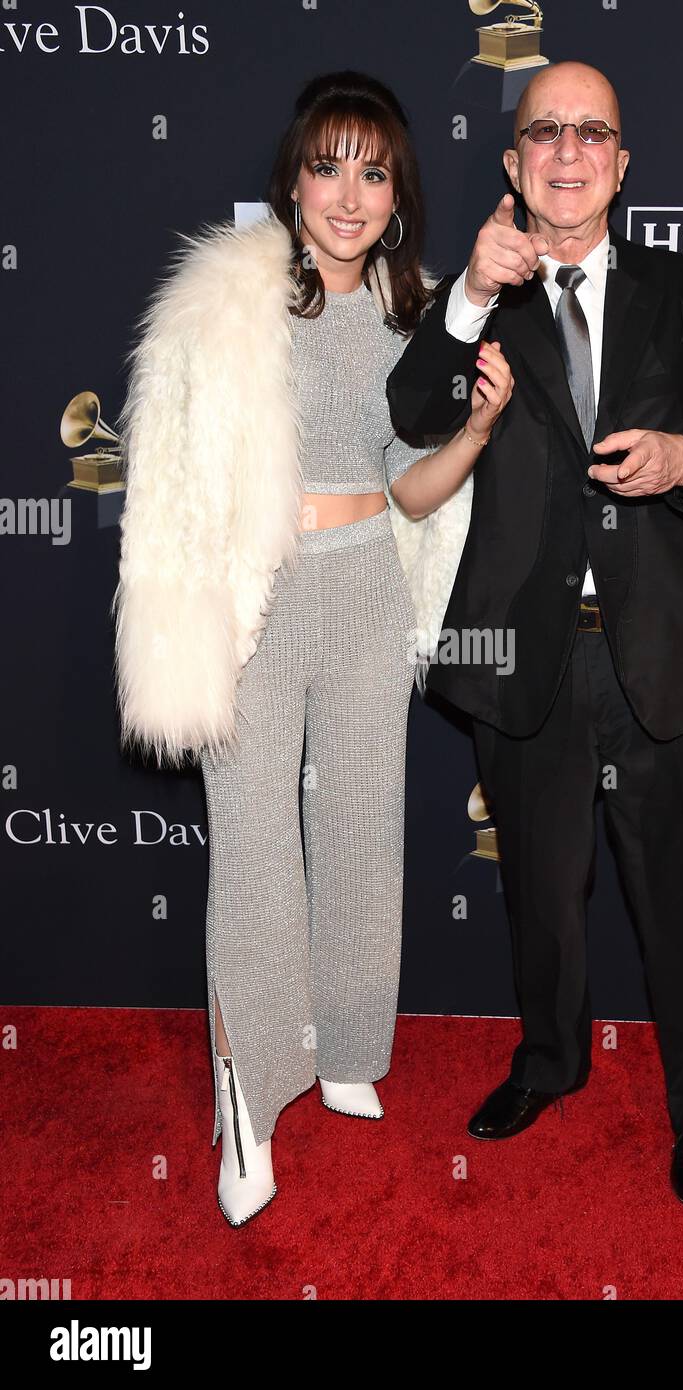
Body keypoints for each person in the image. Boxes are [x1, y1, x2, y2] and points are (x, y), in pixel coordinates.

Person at [111, 70, 513, 1227]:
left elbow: (408, 485)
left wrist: (476, 428)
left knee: (356, 832)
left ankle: (342, 1043)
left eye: (373, 171)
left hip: (365, 598)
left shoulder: (411, 316)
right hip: (258, 601)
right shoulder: (225, 303)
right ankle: (245, 1095)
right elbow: (174, 481)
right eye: (328, 165)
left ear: (397, 195)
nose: (348, 193)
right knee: (248, 855)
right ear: (291, 180)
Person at [387, 61, 683, 1206]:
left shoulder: (681, 289)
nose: (565, 149)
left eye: (588, 132)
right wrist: (460, 299)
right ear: (511, 164)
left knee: (682, 905)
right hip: (518, 652)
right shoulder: (474, 297)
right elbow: (408, 420)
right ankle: (548, 1061)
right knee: (539, 892)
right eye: (541, 130)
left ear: (618, 163)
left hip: (660, 650)